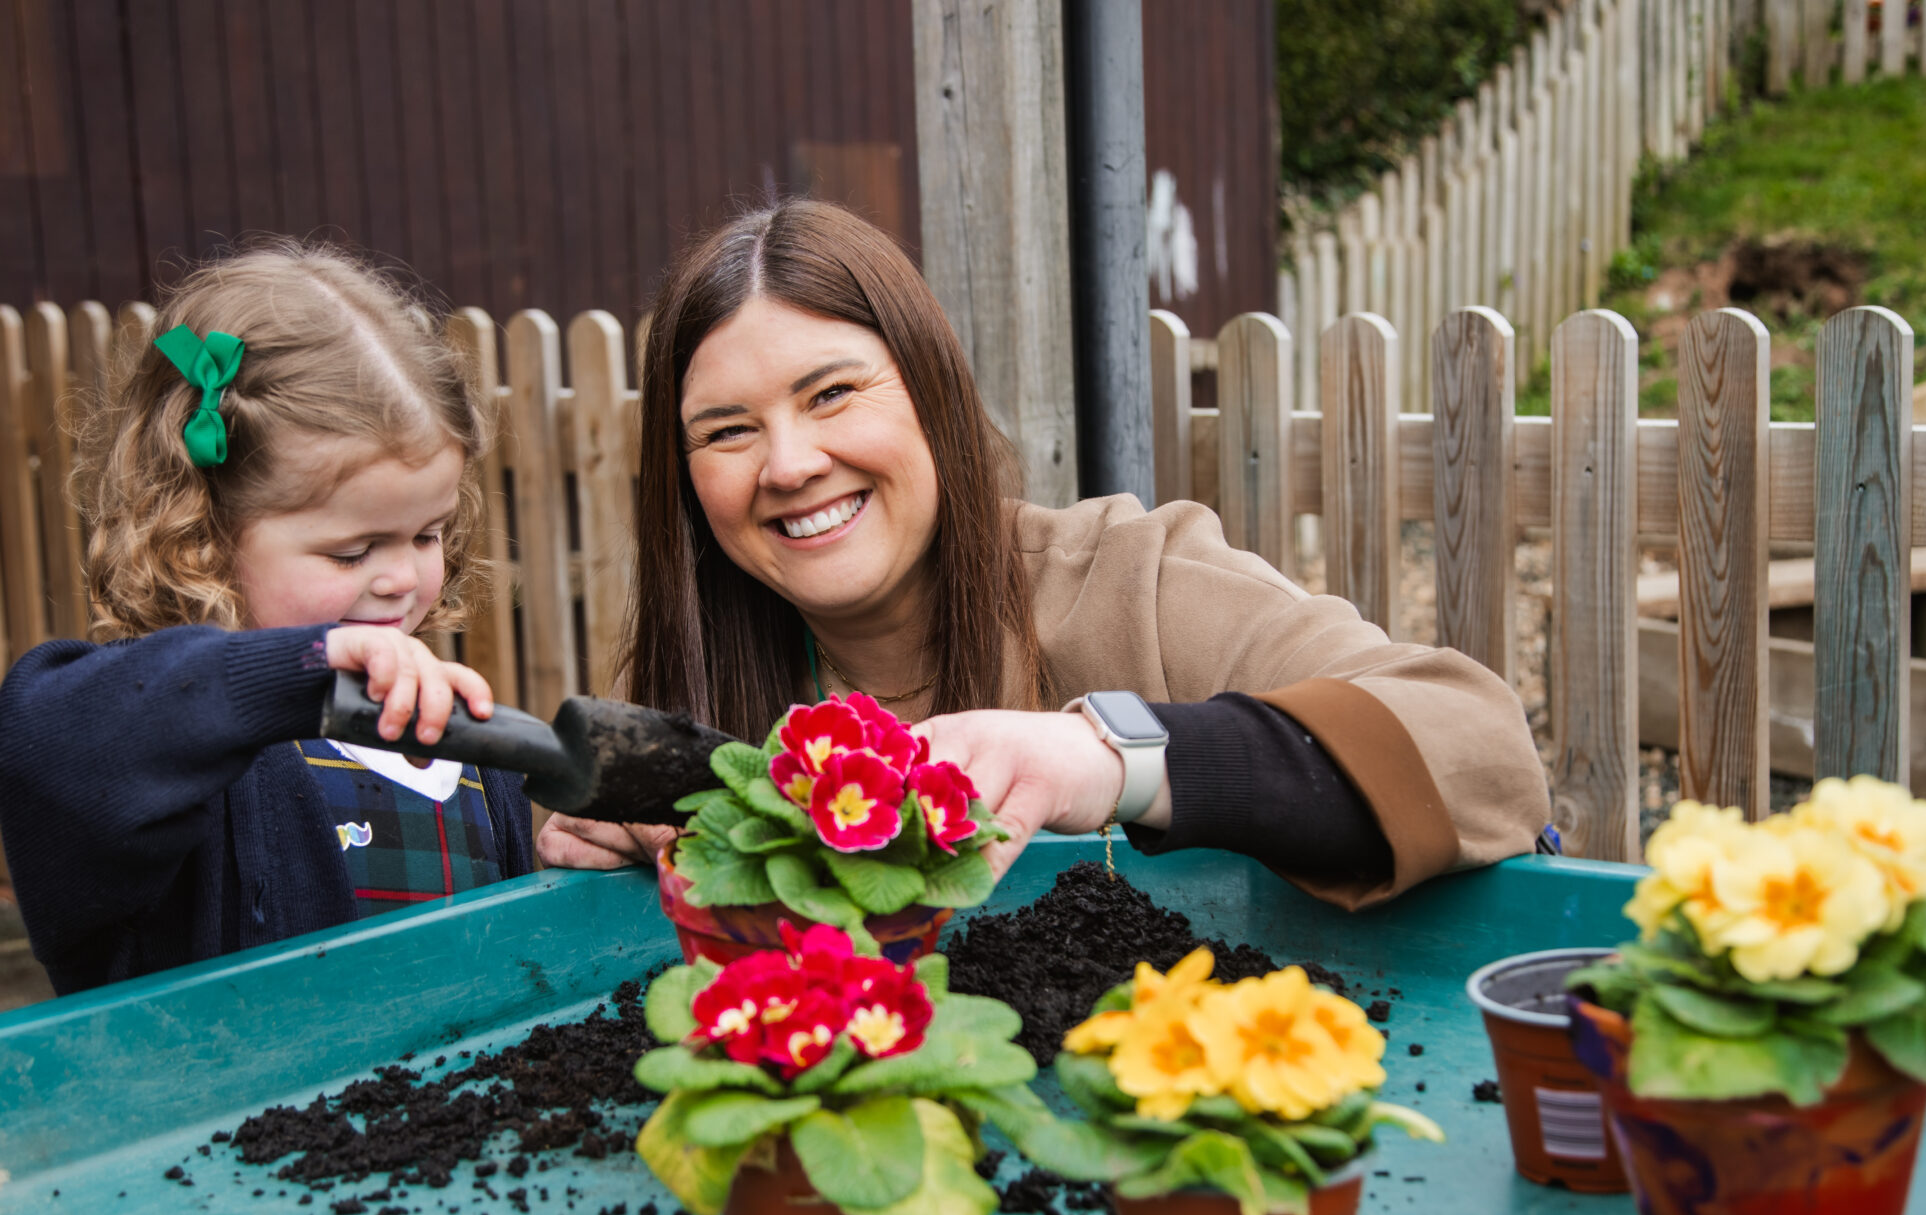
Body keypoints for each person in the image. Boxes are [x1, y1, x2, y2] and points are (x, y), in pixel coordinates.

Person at [539, 199, 1549, 907]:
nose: (791, 462)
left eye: (832, 393)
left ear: (933, 395)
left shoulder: (1129, 583)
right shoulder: (702, 685)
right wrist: (604, 850)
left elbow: (1480, 746)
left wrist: (1107, 758)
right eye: (726, 431)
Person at [0, 242, 529, 994]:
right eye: (352, 552)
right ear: (204, 532)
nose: (403, 578)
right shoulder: (176, 762)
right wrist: (295, 675)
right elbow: (43, 741)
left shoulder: (469, 753)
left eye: (427, 534)